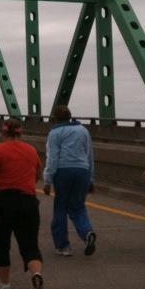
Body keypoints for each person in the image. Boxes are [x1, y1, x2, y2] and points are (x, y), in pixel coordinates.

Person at [0, 119, 47, 289]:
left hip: (2, 201)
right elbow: (38, 174)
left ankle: (5, 286)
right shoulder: (31, 150)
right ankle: (36, 275)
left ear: (3, 133)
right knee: (30, 245)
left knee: (1, 244)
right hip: (27, 201)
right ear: (20, 133)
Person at [43, 105, 97, 257]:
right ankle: (87, 233)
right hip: (82, 171)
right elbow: (89, 155)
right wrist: (91, 178)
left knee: (60, 207)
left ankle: (63, 246)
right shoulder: (83, 130)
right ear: (70, 117)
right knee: (78, 207)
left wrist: (47, 180)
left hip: (63, 171)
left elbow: (52, 158)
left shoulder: (55, 133)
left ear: (55, 119)